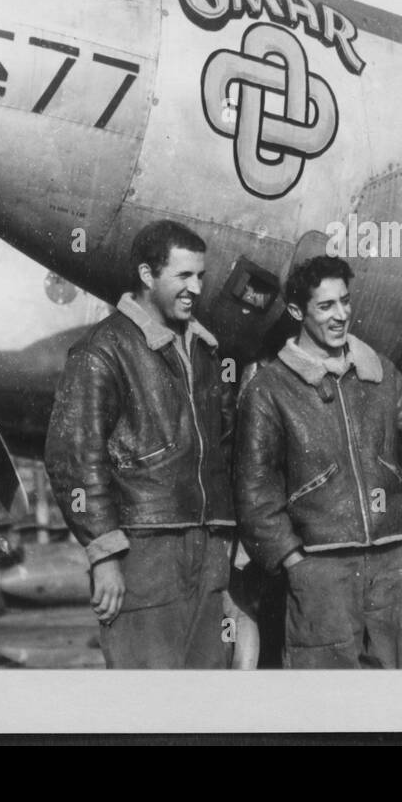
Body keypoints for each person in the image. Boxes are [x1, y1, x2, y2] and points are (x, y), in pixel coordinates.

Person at [235, 256, 402, 669]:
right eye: (326, 306)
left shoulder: (381, 372)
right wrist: (294, 562)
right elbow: (255, 491)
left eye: (345, 302)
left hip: (399, 561)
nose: (341, 316)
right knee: (331, 710)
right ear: (298, 312)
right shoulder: (270, 389)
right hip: (322, 572)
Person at [45, 220, 236, 668]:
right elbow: (73, 457)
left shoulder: (206, 353)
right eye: (182, 276)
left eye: (200, 277)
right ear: (148, 276)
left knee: (207, 704)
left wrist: (228, 539)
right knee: (149, 702)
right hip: (143, 552)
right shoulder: (102, 351)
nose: (195, 288)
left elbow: (224, 451)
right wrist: (104, 552)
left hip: (207, 550)